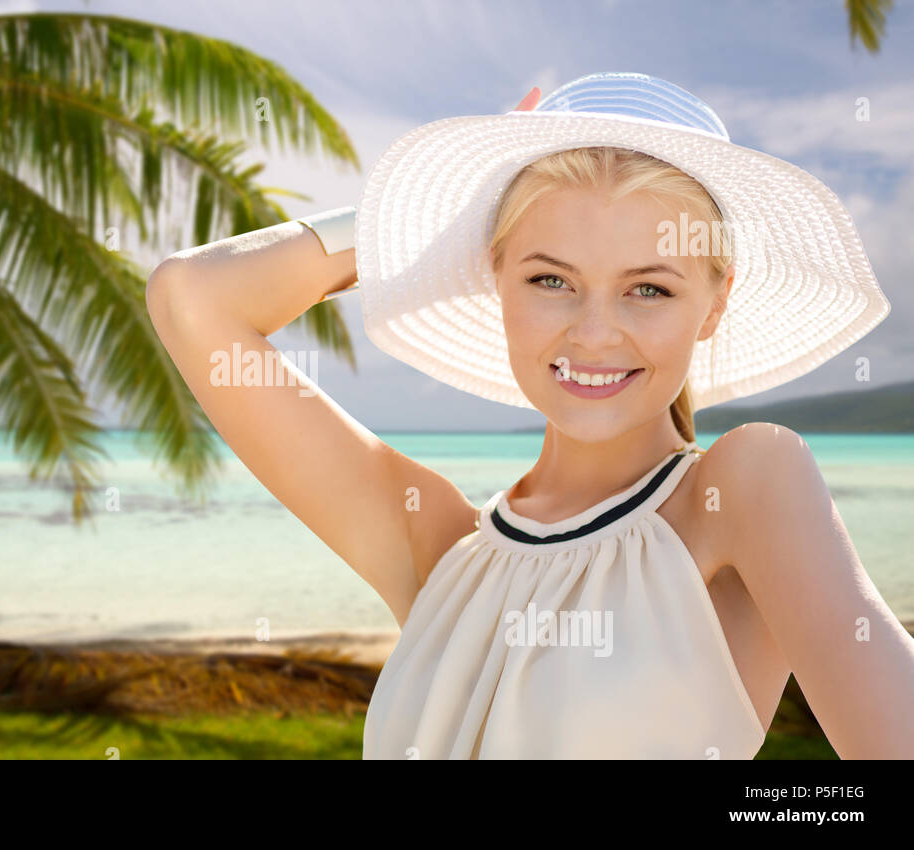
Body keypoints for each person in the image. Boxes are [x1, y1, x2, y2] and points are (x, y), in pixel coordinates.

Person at [145, 72, 913, 759]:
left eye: (650, 288)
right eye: (551, 278)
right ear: (495, 276)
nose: (594, 331)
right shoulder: (438, 545)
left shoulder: (743, 487)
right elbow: (195, 300)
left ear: (714, 304)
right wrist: (427, 217)